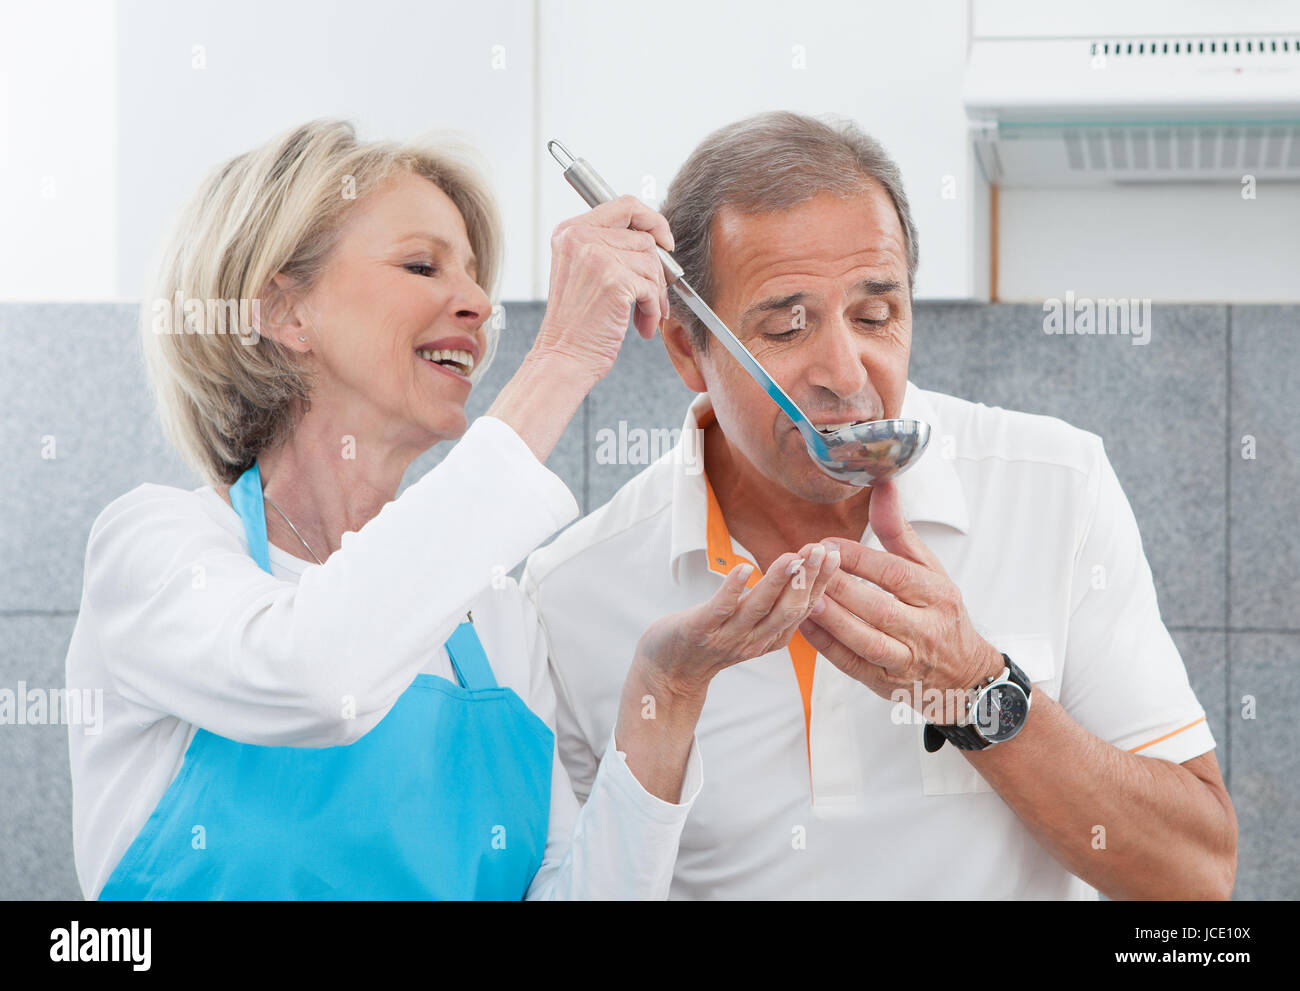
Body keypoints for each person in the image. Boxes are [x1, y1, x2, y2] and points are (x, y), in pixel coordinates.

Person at [65, 118, 839, 900]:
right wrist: (561, 361)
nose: (475, 303)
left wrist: (666, 693)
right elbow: (318, 677)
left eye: (474, 278)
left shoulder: (495, 617)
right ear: (282, 311)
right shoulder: (159, 550)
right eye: (421, 265)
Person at [523, 110, 1238, 899]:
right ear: (690, 348)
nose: (845, 371)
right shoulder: (570, 593)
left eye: (875, 316)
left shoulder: (1058, 486)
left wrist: (975, 688)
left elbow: (1196, 874)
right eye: (788, 324)